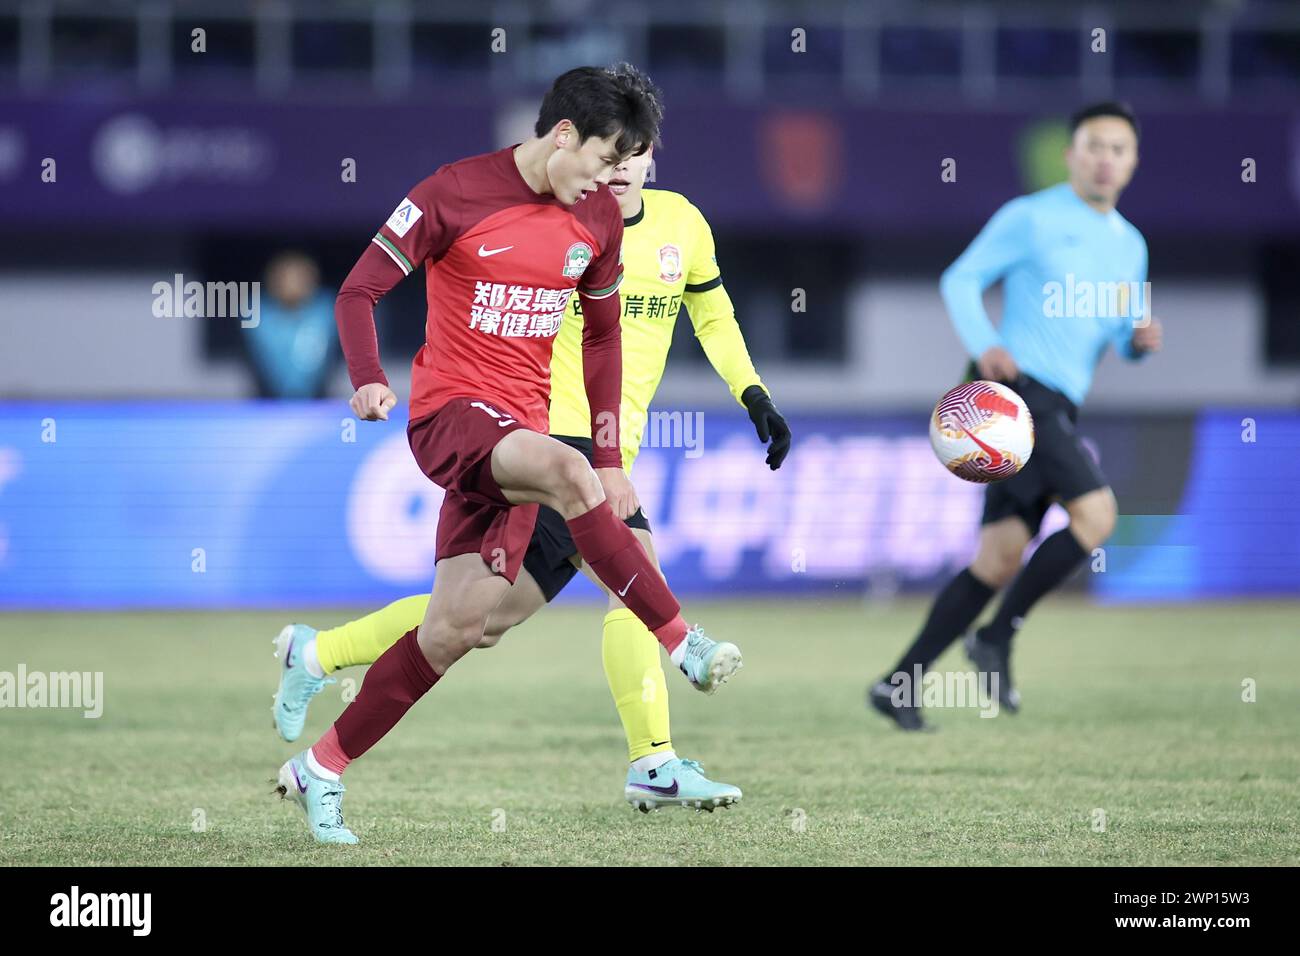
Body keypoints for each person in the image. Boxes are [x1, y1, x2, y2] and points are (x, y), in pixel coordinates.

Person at [271, 81, 790, 814]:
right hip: (480, 423)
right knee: (618, 544)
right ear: (566, 137)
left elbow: (669, 326)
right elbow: (359, 290)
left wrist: (748, 396)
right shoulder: (454, 193)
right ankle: (671, 691)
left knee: (467, 625)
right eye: (605, 159)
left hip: (544, 435)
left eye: (629, 159)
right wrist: (367, 379)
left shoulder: (636, 223)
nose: (610, 177)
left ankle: (319, 734)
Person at [870, 101, 1164, 731]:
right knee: (1098, 514)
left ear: (1133, 162)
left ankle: (899, 684)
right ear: (1071, 153)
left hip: (1057, 405)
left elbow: (1119, 342)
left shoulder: (1132, 248)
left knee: (998, 560)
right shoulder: (1031, 217)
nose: (1105, 158)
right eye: (1094, 145)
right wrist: (984, 344)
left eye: (1119, 148)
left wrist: (1137, 346)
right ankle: (998, 634)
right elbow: (960, 279)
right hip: (1011, 393)